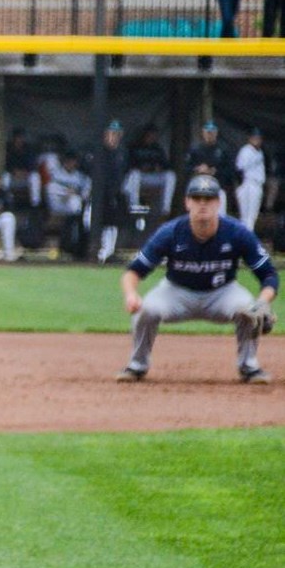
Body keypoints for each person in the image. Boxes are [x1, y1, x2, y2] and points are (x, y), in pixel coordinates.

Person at [117, 174, 277, 384]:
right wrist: (131, 295)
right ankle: (136, 366)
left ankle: (249, 367)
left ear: (218, 203)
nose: (203, 204)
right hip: (176, 291)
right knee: (147, 309)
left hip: (222, 292)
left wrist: (262, 301)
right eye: (197, 198)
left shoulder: (237, 233)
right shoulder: (170, 232)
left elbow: (269, 275)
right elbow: (133, 272)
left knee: (248, 309)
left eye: (209, 199)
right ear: (187, 202)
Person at [93, 121, 133, 262]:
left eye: (116, 134)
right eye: (111, 133)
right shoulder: (98, 151)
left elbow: (126, 173)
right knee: (89, 221)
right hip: (95, 194)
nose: (113, 137)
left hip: (113, 193)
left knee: (113, 222)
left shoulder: (122, 153)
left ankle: (107, 253)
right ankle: (92, 251)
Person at [46, 151, 93, 257]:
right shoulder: (56, 174)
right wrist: (65, 192)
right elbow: (50, 189)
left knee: (75, 202)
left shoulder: (80, 176)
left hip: (73, 207)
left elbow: (86, 191)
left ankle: (74, 245)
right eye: (68, 162)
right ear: (64, 162)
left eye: (73, 162)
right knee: (73, 202)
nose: (71, 164)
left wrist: (76, 192)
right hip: (58, 204)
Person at [187, 121, 238, 217]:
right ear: (203, 133)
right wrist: (197, 169)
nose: (209, 135)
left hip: (217, 187)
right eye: (207, 132)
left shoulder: (223, 150)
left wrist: (215, 171)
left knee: (220, 217)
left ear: (216, 133)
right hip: (199, 189)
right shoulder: (196, 149)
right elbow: (187, 167)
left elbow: (231, 170)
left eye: (212, 132)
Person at [126, 124, 178, 217]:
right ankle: (134, 205)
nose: (152, 137)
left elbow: (167, 165)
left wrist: (159, 168)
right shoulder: (135, 147)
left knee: (171, 175)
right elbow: (128, 166)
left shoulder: (157, 149)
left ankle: (165, 208)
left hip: (154, 177)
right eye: (150, 134)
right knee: (134, 174)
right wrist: (141, 167)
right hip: (140, 178)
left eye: (154, 135)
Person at [236, 128, 267, 229]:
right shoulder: (246, 150)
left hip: (256, 184)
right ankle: (245, 239)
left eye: (258, 138)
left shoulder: (260, 152)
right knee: (247, 216)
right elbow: (239, 167)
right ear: (250, 139)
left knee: (251, 216)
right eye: (255, 138)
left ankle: (245, 238)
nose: (257, 140)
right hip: (248, 184)